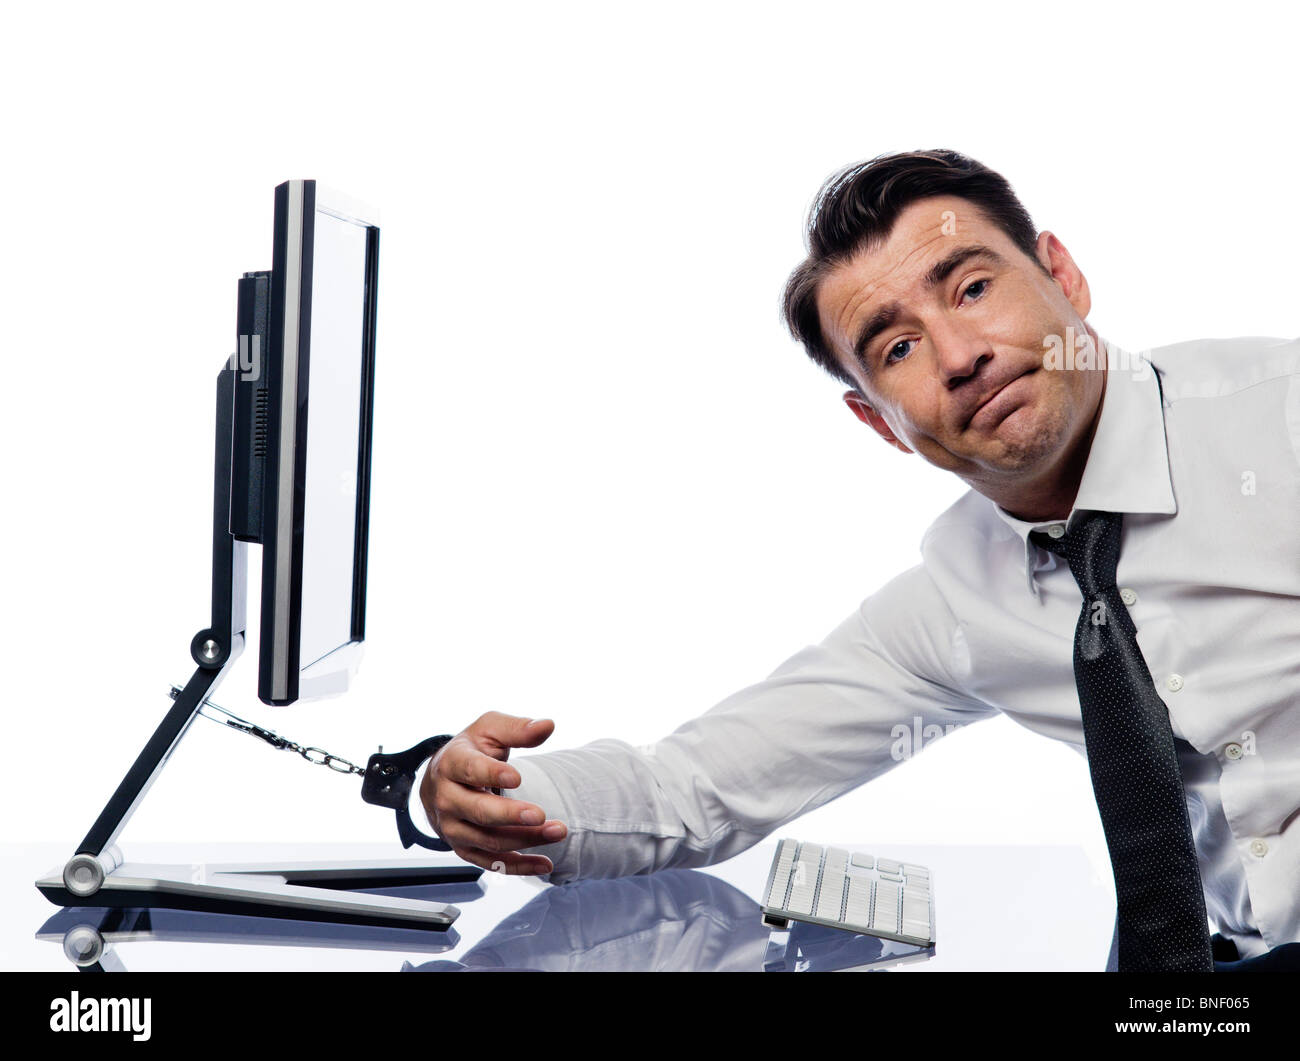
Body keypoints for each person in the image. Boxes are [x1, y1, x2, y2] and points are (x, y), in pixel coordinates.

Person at [417, 149, 1300, 970]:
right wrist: (488, 795)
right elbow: (697, 790)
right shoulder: (961, 599)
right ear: (879, 421)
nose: (960, 357)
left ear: (1062, 273)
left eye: (974, 287)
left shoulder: (1280, 423)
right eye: (899, 348)